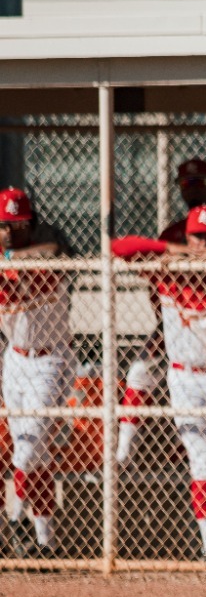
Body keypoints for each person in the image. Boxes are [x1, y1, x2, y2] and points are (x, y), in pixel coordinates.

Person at [110, 205, 206, 561]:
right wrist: (175, 252)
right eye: (197, 237)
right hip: (187, 378)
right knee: (203, 461)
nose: (203, 245)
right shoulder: (168, 269)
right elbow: (120, 247)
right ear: (186, 237)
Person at [116, 157, 206, 467]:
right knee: (140, 371)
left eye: (199, 184)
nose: (192, 191)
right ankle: (122, 452)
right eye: (186, 185)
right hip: (176, 322)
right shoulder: (176, 232)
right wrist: (182, 253)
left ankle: (194, 448)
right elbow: (123, 248)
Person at [0, 189, 76, 555]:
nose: (10, 233)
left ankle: (14, 522)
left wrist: (11, 257)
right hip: (14, 359)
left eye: (17, 225)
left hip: (52, 359)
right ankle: (45, 541)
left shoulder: (49, 241)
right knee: (36, 454)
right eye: (4, 227)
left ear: (30, 223)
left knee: (27, 451)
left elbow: (55, 252)